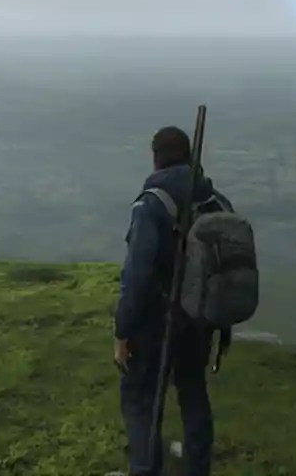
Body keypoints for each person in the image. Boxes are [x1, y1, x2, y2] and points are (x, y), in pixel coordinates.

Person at [114, 126, 233, 476]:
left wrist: (122, 331)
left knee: (141, 400)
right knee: (193, 392)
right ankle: (197, 468)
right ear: (190, 156)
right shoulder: (216, 202)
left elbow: (137, 274)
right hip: (200, 319)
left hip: (156, 322)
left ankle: (144, 469)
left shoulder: (152, 204)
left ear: (156, 159)